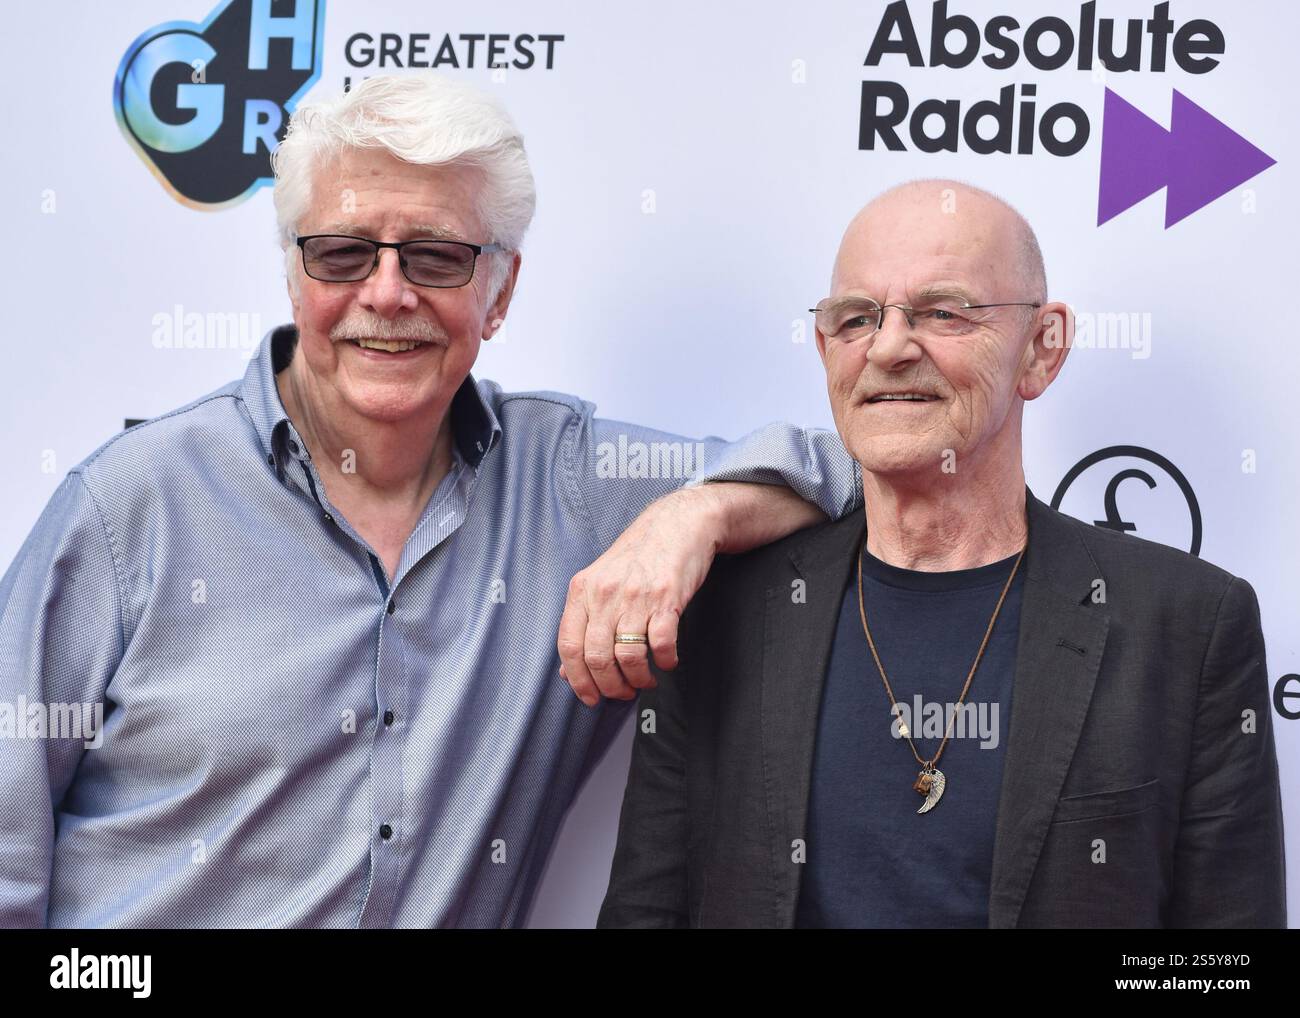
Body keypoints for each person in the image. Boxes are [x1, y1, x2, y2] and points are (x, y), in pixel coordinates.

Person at [0, 73, 861, 927]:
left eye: (437, 257)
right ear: (293, 276)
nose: (387, 293)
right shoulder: (130, 505)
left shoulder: (569, 484)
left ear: (501, 293)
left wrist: (693, 515)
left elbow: (855, 470)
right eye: (342, 253)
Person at [597, 179, 1287, 928]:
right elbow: (644, 911)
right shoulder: (721, 609)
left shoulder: (1187, 624)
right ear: (827, 349)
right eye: (857, 318)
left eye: (943, 312)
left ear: (1042, 348)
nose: (890, 348)